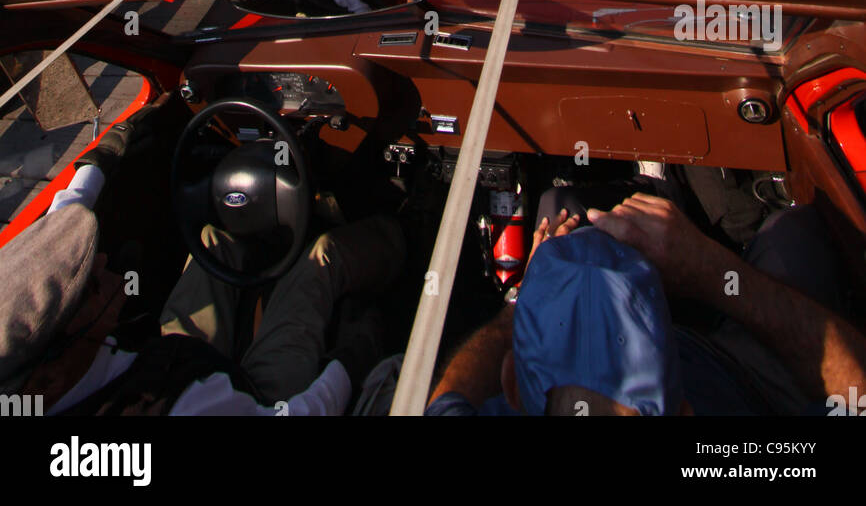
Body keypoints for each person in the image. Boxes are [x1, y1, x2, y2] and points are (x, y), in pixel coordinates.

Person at [0, 104, 404, 416]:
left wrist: (97, 163)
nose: (102, 262)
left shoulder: (35, 369)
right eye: (88, 285)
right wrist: (348, 366)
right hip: (252, 398)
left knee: (212, 242)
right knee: (322, 257)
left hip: (164, 360)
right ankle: (406, 234)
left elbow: (50, 245)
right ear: (49, 378)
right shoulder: (173, 410)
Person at [426, 193, 866, 416]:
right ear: (684, 412)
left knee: (558, 204)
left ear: (513, 386)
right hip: (741, 378)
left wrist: (519, 304)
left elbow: (450, 395)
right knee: (792, 235)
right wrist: (715, 272)